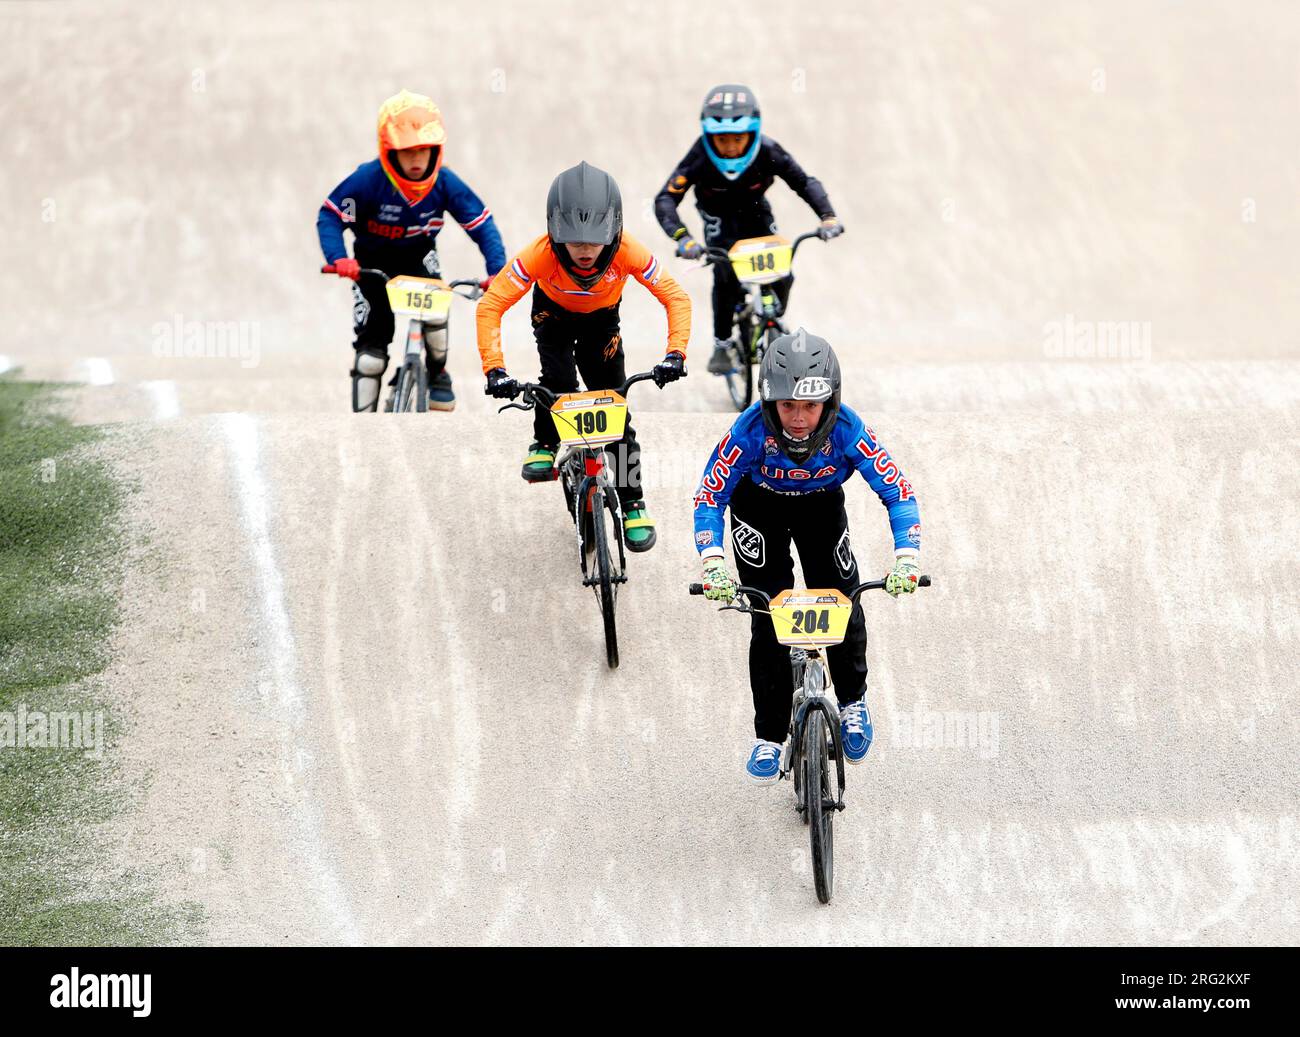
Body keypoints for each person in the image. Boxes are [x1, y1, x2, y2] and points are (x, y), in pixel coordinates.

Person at [692, 329, 921, 784]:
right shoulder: (749, 431)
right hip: (757, 508)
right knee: (767, 614)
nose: (798, 418)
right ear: (768, 401)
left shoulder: (849, 429)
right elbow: (709, 498)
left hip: (820, 508)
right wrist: (713, 561)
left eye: (810, 406)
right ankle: (769, 736)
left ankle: (854, 702)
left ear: (830, 402)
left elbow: (898, 492)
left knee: (844, 598)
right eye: (787, 406)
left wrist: (907, 556)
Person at [477, 161, 689, 552]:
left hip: (601, 323)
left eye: (596, 241)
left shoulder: (629, 250)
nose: (587, 252)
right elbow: (490, 305)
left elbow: (675, 297)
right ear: (556, 235)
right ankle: (543, 441)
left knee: (616, 409)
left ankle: (633, 503)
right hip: (552, 316)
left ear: (615, 232)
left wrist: (675, 353)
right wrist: (495, 369)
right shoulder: (539, 254)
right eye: (575, 243)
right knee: (556, 381)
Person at [318, 89, 505, 412]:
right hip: (370, 266)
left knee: (436, 316)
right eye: (408, 152)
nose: (417, 160)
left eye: (424, 150)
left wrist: (497, 271)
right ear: (389, 151)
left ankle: (437, 373)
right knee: (370, 359)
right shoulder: (367, 181)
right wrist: (339, 259)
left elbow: (481, 225)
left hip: (418, 259)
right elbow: (331, 216)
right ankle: (363, 427)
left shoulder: (445, 183)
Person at [654, 84, 844, 376]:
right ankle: (722, 343)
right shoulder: (699, 156)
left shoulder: (768, 150)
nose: (730, 147)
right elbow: (666, 198)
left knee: (784, 271)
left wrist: (827, 216)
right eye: (721, 140)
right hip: (718, 217)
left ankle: (772, 318)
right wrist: (683, 238)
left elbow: (804, 183)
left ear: (753, 134)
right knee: (725, 275)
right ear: (708, 137)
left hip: (757, 214)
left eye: (737, 139)